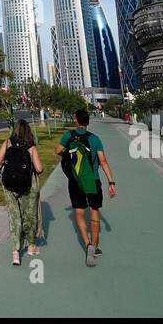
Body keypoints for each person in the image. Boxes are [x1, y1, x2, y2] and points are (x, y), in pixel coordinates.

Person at [55, 109, 116, 267]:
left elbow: (58, 151)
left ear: (76, 120)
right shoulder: (95, 139)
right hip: (93, 180)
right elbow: (103, 161)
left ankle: (87, 244)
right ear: (87, 122)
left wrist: (69, 154)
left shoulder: (68, 136)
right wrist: (111, 182)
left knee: (79, 212)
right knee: (94, 211)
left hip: (75, 181)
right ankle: (94, 248)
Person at [0, 119, 43, 266]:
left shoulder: (8, 142)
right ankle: (31, 246)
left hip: (9, 185)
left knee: (14, 216)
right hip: (28, 186)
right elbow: (39, 169)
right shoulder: (31, 147)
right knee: (30, 215)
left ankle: (15, 253)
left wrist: (11, 165)